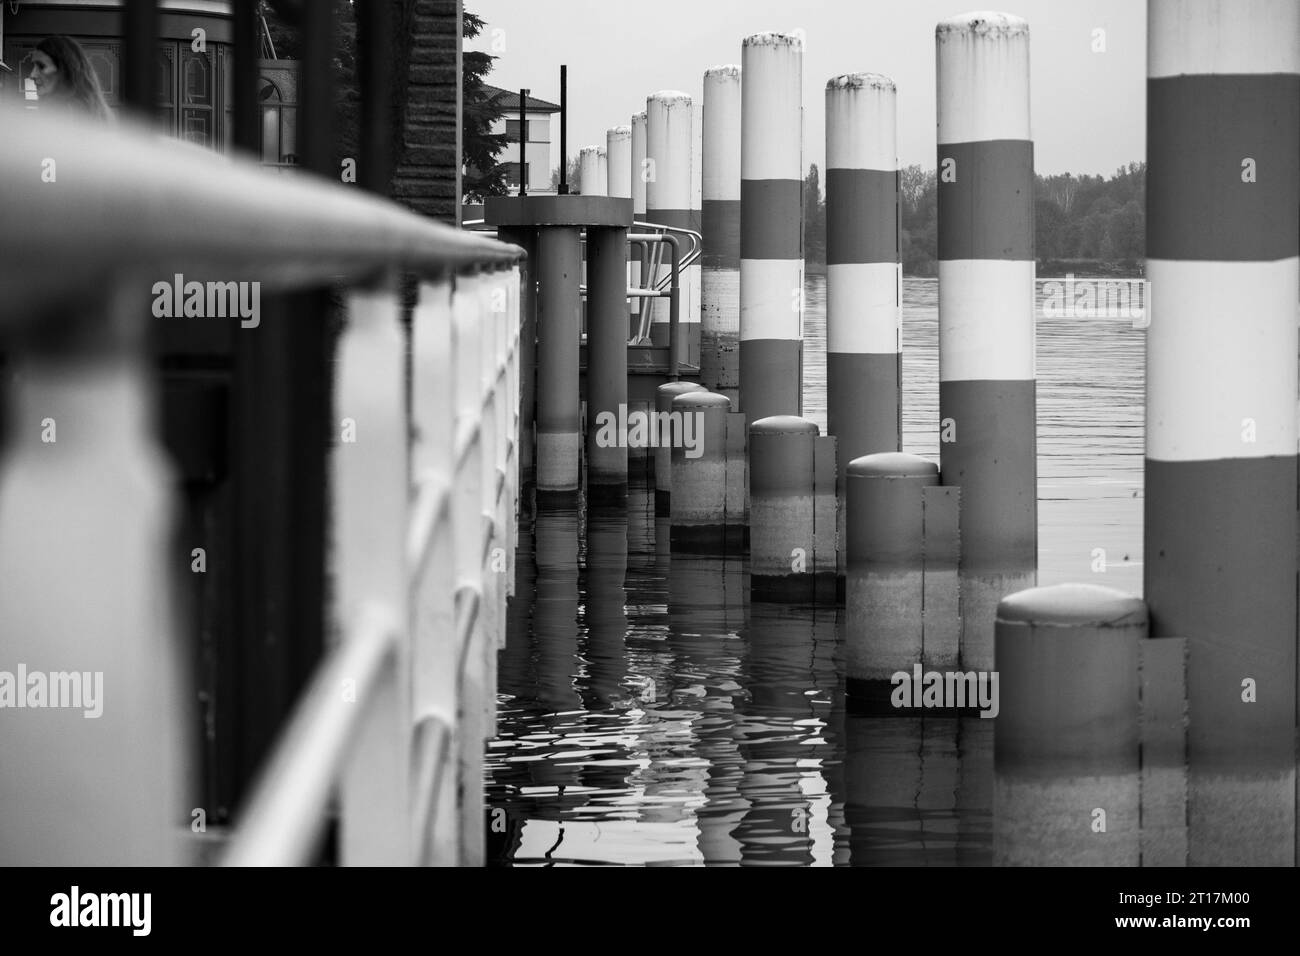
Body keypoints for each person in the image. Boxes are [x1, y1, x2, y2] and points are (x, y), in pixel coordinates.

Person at [28, 36, 112, 121]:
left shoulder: (67, 115)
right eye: (33, 66)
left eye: (41, 66)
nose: (32, 75)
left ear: (65, 70)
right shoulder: (90, 111)